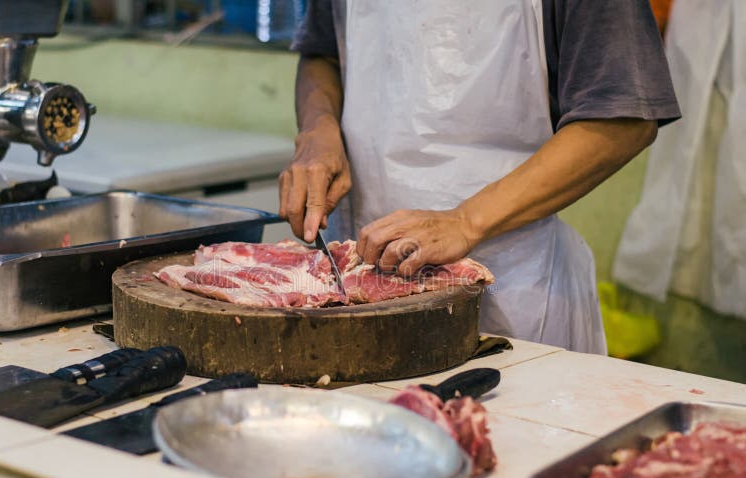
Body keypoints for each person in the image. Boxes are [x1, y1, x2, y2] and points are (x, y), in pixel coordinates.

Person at [279, 0, 681, 353]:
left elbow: (624, 119)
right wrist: (318, 129)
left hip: (511, 289)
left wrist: (464, 221)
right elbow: (323, 53)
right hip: (357, 279)